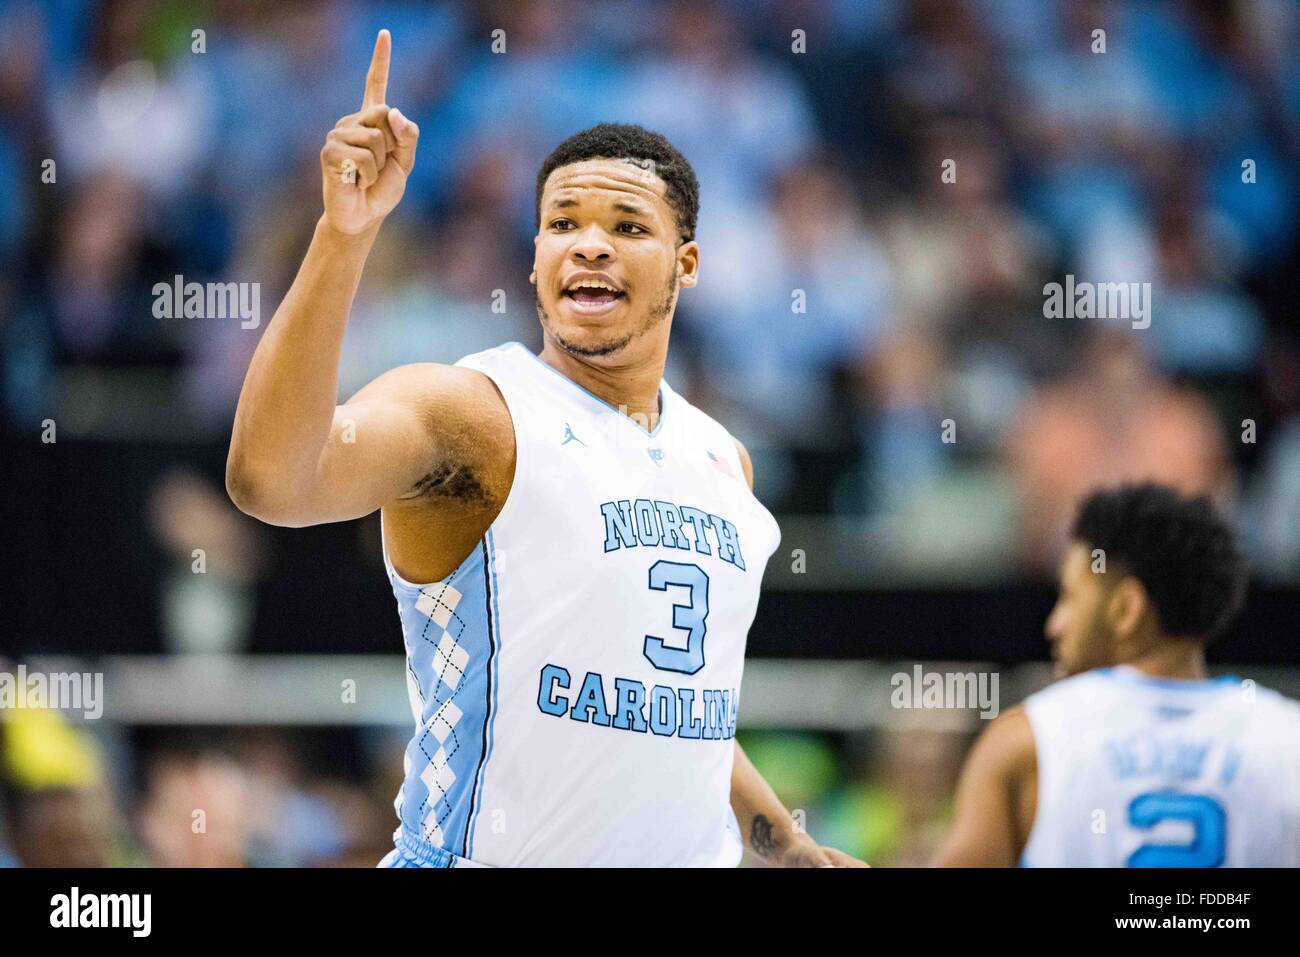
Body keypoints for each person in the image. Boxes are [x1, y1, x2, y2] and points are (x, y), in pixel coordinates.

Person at [227, 30, 864, 868]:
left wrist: (783, 843)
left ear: (688, 264)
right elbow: (271, 478)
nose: (588, 243)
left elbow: (677, 710)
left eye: (627, 225)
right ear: (534, 263)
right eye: (562, 223)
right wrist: (346, 236)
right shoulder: (474, 414)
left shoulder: (722, 459)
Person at [934, 483, 1300, 867]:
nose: (1053, 625)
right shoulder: (1289, 738)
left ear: (1127, 608)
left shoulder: (1027, 741)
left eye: (1070, 597)